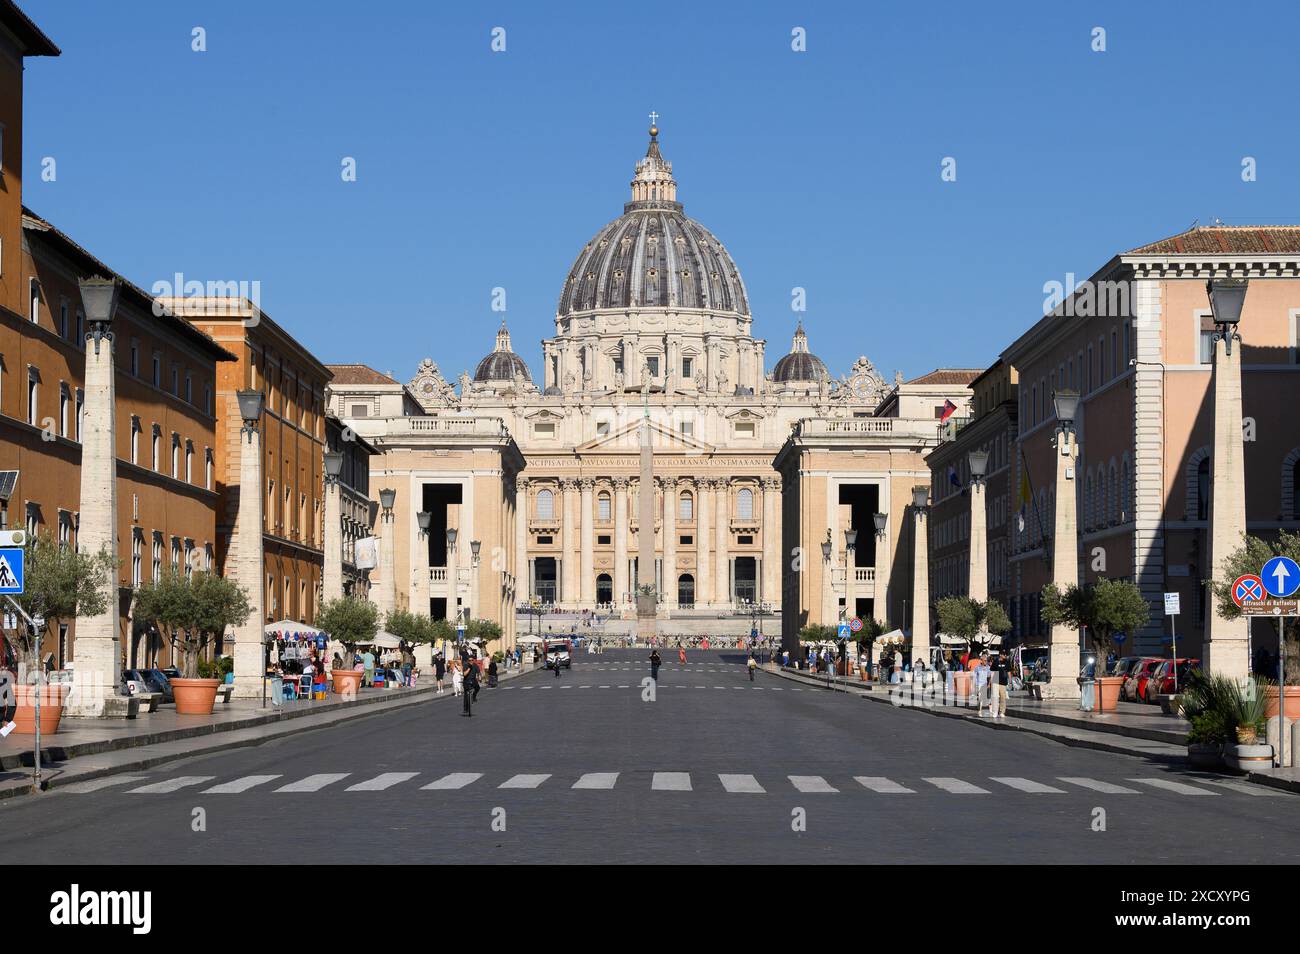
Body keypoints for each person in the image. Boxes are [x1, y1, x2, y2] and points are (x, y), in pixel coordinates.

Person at [990, 650, 1010, 719]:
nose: (1005, 656)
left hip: (1003, 681)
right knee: (995, 697)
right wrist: (990, 681)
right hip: (995, 680)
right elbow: (992, 671)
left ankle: (1002, 712)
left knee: (1003, 697)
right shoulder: (995, 661)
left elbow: (1009, 671)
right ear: (1001, 655)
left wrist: (1010, 681)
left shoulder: (1007, 662)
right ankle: (995, 712)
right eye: (1004, 654)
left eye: (1006, 654)